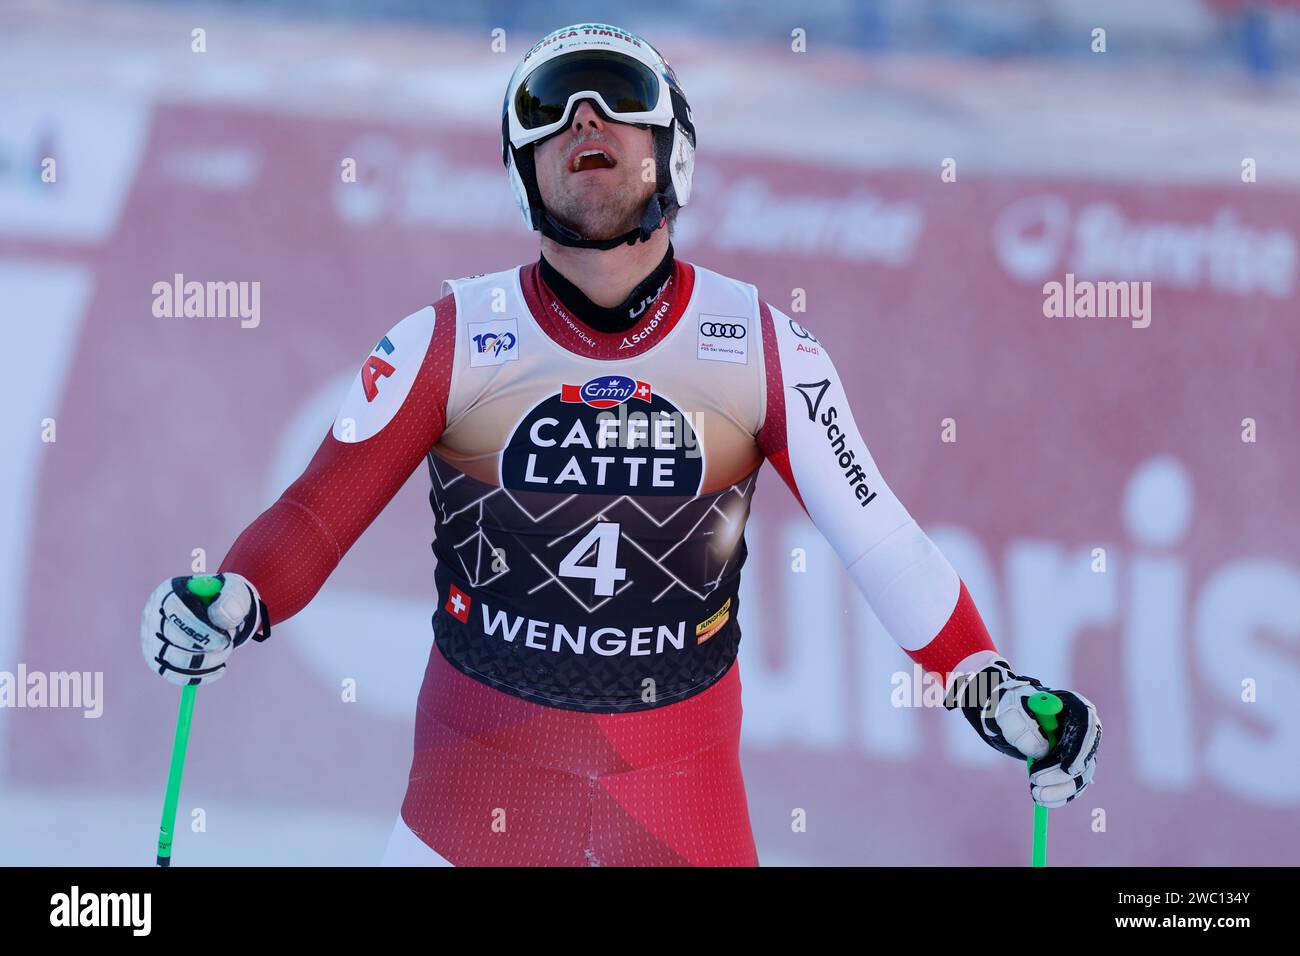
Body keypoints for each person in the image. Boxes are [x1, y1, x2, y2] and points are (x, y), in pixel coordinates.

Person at [140, 22, 1100, 867]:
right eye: (549, 109)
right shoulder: (449, 337)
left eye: (616, 97)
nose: (582, 120)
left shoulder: (764, 345)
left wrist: (986, 684)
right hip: (475, 796)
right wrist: (237, 595)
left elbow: (879, 536)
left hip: (680, 803)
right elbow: (316, 509)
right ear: (524, 171)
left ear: (673, 150)